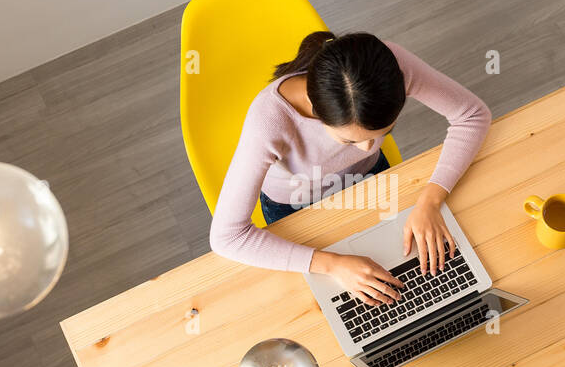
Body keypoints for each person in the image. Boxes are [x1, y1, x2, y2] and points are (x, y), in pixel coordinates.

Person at [209, 31, 490, 307]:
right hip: (296, 206)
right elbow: (227, 236)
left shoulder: (388, 68)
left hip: (371, 179)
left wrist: (430, 199)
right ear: (315, 108)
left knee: (413, 272)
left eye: (382, 133)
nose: (367, 148)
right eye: (349, 140)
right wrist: (332, 265)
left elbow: (472, 115)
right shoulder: (269, 121)